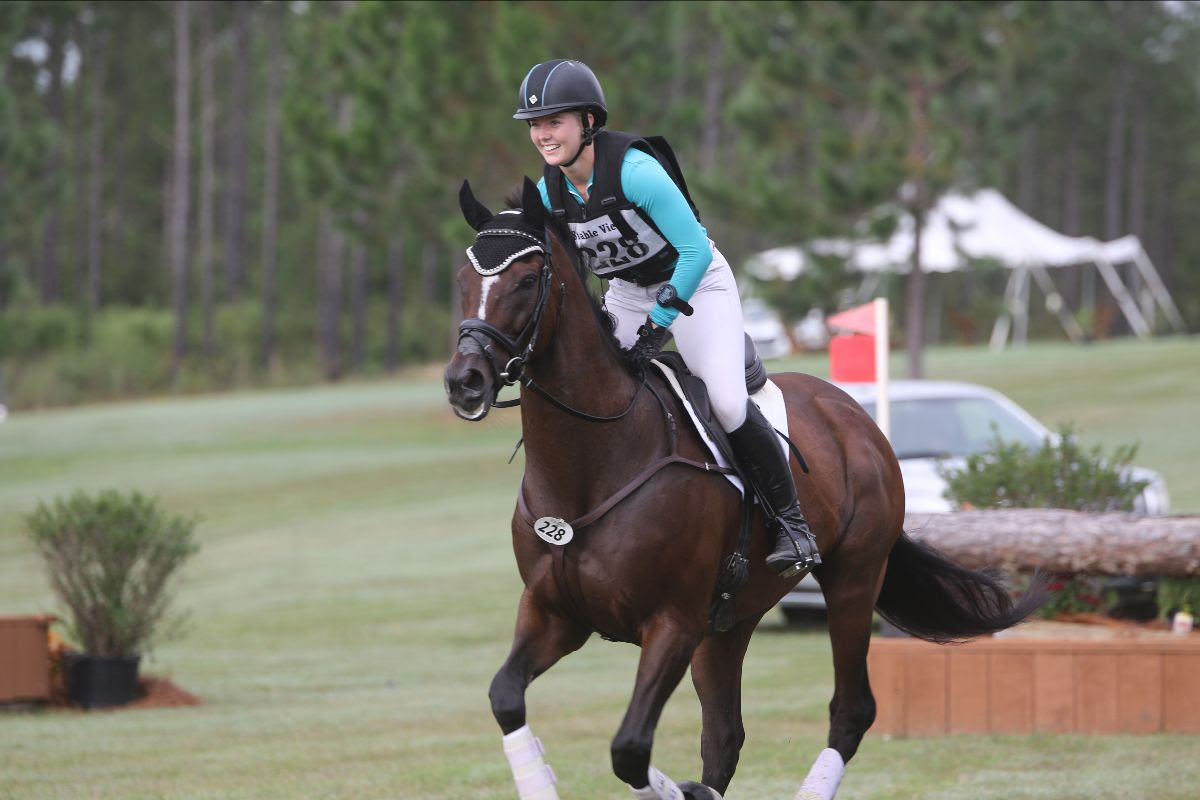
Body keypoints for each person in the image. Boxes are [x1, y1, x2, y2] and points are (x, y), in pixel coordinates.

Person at [513, 59, 820, 578]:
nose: (543, 134)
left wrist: (660, 322)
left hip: (698, 284)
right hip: (629, 293)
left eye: (554, 121)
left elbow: (694, 250)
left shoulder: (634, 170)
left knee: (724, 400)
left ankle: (793, 524)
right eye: (535, 125)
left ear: (588, 121)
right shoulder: (548, 191)